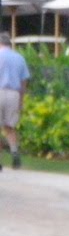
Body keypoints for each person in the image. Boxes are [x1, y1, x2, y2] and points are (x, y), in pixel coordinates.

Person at [0, 32, 31, 170]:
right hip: (14, 94)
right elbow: (24, 81)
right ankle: (14, 153)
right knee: (9, 127)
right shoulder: (19, 58)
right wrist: (21, 100)